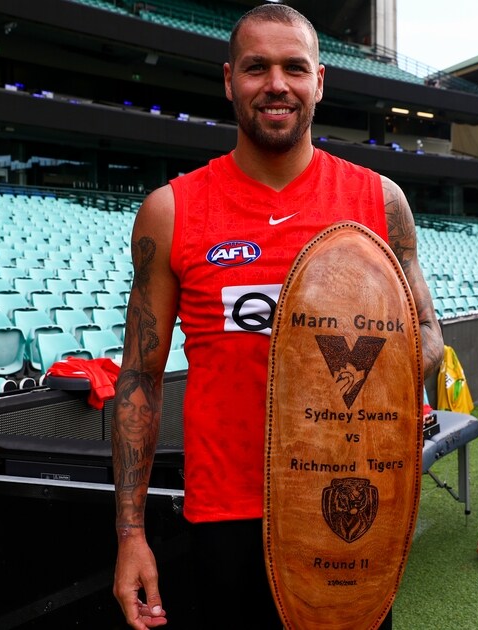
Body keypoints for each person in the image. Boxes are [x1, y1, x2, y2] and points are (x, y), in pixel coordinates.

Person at [110, 6, 443, 628]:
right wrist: (130, 533)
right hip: (225, 515)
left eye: (294, 67)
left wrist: (351, 372)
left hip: (348, 500)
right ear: (229, 79)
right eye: (257, 67)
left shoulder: (380, 201)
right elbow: (138, 379)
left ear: (320, 80)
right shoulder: (170, 211)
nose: (276, 84)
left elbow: (427, 337)